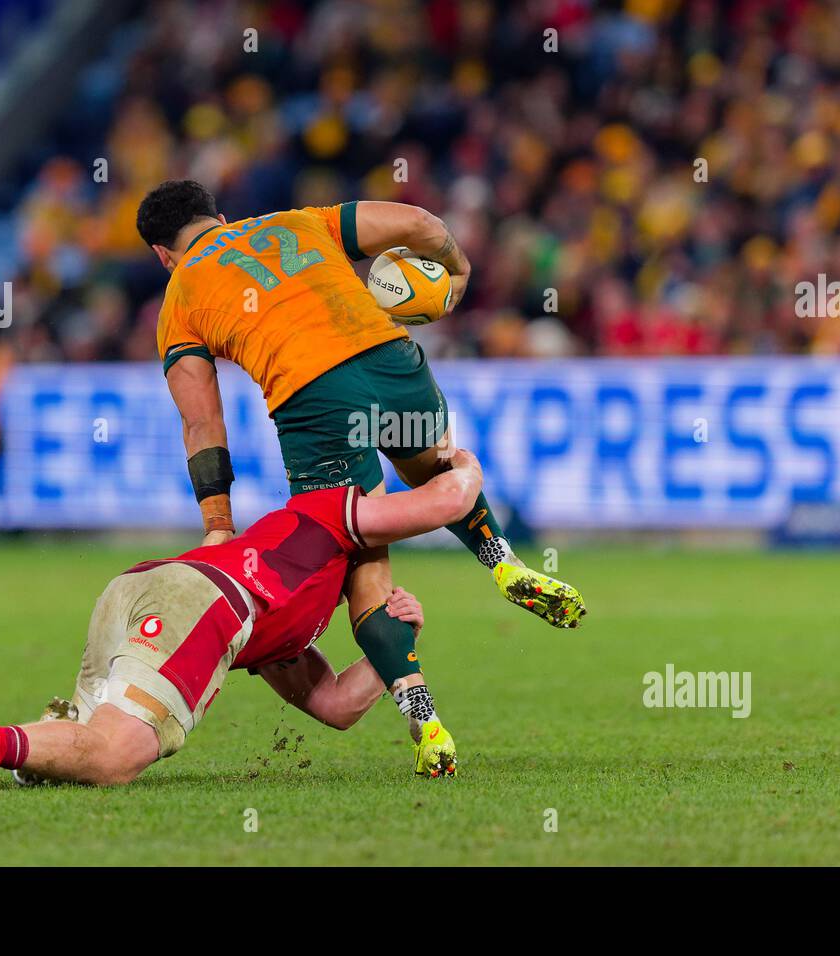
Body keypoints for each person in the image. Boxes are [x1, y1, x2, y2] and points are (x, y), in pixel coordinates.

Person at [134, 181, 586, 748]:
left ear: (161, 255)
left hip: (314, 398)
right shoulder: (297, 222)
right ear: (220, 217)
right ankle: (502, 560)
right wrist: (458, 268)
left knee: (365, 559)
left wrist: (218, 521)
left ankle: (426, 724)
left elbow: (203, 424)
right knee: (437, 469)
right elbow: (419, 223)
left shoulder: (179, 301)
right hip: (392, 360)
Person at [0, 449, 486, 791]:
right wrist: (460, 462)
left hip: (145, 589)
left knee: (76, 763)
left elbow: (333, 705)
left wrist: (395, 651)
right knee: (117, 759)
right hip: (202, 603)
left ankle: (36, 745)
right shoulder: (330, 511)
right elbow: (447, 501)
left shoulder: (297, 610)